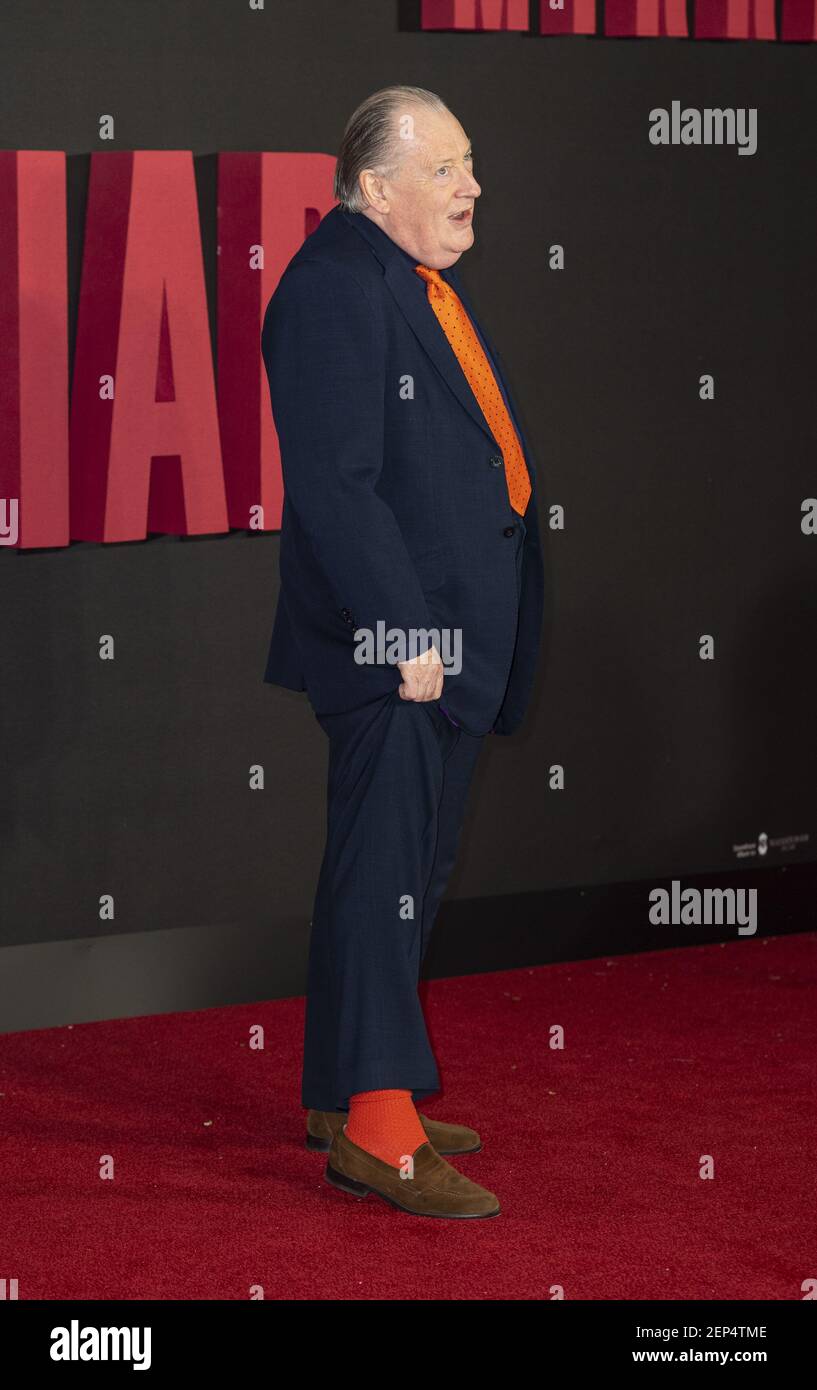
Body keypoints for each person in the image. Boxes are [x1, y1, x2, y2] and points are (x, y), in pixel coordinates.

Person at [261, 85, 544, 1218]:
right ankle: (378, 1131)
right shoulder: (336, 289)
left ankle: (346, 1089)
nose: (470, 184)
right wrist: (408, 633)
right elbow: (337, 486)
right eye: (445, 168)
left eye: (470, 162)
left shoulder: (400, 281)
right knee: (387, 880)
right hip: (402, 648)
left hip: (442, 644)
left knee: (397, 873)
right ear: (377, 187)